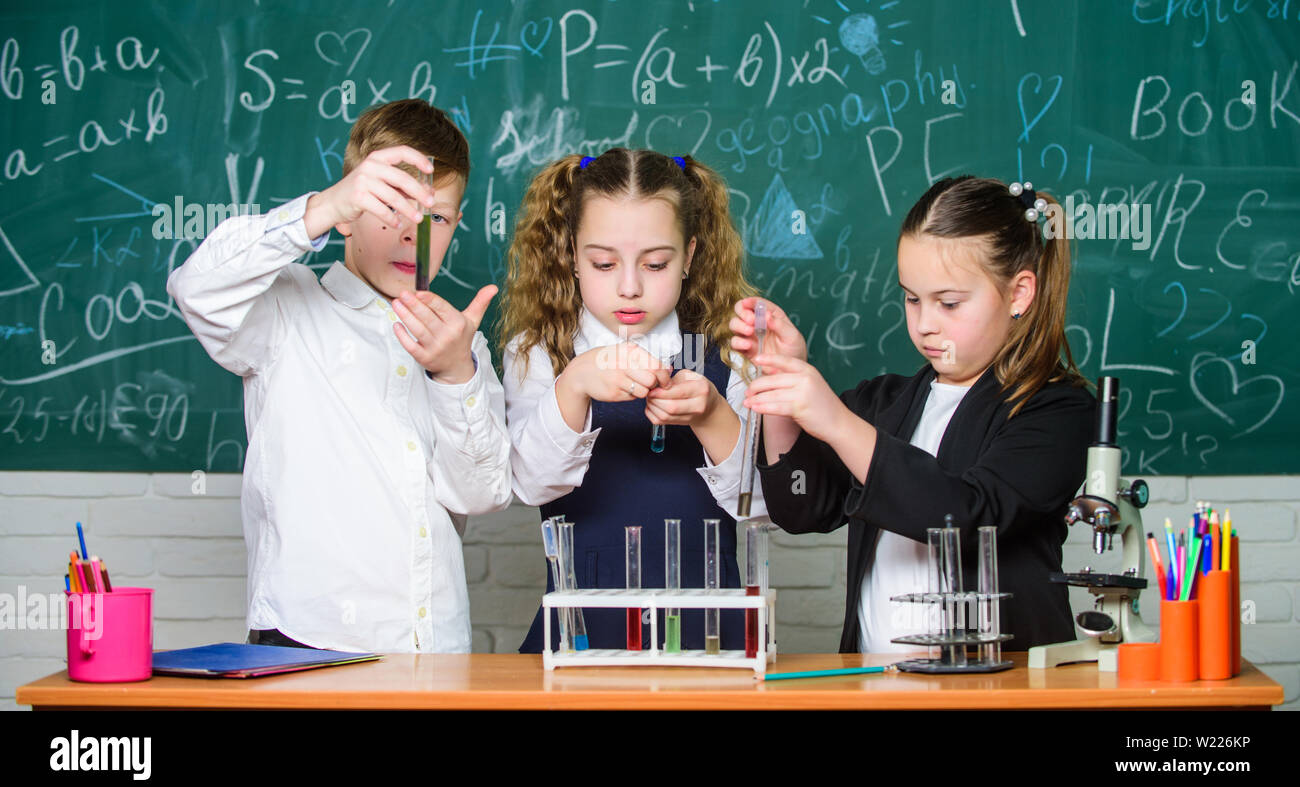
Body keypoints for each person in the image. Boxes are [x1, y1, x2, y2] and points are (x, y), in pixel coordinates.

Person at [167, 99, 511, 653]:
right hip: (306, 647)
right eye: (390, 206)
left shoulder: (461, 345)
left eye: (437, 218)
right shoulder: (284, 309)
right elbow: (195, 289)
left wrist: (455, 374)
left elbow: (481, 494)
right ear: (349, 208)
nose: (413, 236)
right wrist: (321, 209)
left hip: (434, 649)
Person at [734, 176, 1094, 653]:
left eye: (949, 303)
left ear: (1020, 293)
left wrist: (838, 424)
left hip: (999, 691)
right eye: (911, 298)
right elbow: (802, 508)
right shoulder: (885, 402)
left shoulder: (1058, 410)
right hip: (877, 686)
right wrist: (781, 385)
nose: (925, 324)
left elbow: (966, 516)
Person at [499, 148, 766, 653]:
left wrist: (712, 416)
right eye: (602, 263)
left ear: (689, 257)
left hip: (712, 627)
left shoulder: (730, 350)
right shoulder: (539, 353)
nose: (629, 287)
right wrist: (574, 384)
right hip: (584, 630)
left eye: (656, 263)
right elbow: (530, 484)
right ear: (571, 257)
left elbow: (763, 509)